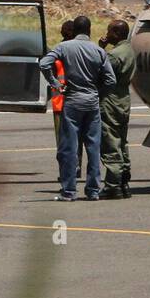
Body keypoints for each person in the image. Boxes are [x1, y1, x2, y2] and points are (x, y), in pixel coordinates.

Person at [40, 15, 116, 201]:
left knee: (70, 147)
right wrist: (97, 91)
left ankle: (69, 190)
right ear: (89, 30)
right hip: (92, 102)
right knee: (93, 146)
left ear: (74, 31)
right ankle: (93, 190)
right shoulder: (98, 51)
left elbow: (44, 63)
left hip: (73, 100)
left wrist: (56, 84)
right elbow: (111, 80)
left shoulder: (64, 47)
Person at [98, 20, 136, 199]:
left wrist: (101, 50)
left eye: (109, 31)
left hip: (111, 100)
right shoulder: (129, 50)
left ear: (116, 33)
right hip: (123, 99)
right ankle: (123, 180)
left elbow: (100, 72)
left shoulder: (114, 56)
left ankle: (112, 184)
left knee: (110, 141)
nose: (107, 34)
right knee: (122, 140)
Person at [50, 20, 76, 148]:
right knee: (76, 142)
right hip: (77, 101)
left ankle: (66, 167)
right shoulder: (81, 50)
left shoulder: (57, 51)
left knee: (62, 144)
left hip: (60, 101)